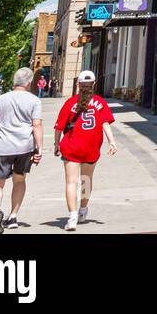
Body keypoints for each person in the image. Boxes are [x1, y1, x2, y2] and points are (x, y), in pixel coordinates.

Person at [0, 67, 43, 233]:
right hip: (24, 148)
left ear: (14, 81)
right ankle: (12, 216)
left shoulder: (0, 100)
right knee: (19, 180)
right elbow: (36, 125)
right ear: (29, 82)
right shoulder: (35, 101)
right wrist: (39, 148)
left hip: (3, 148)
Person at [53, 70, 116, 231]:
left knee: (71, 182)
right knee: (86, 180)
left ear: (78, 85)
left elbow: (59, 127)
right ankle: (83, 209)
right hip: (91, 147)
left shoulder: (71, 102)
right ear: (94, 84)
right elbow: (105, 123)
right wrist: (112, 142)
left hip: (72, 146)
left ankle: (72, 216)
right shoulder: (99, 102)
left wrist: (56, 144)